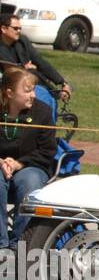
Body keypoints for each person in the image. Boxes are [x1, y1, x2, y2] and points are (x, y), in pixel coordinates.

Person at [0, 67, 57, 249]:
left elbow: (47, 150)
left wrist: (18, 163)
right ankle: (1, 244)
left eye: (33, 89)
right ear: (9, 93)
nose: (33, 95)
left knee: (29, 182)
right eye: (27, 91)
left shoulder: (43, 112)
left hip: (30, 165)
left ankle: (21, 245)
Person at [0, 12, 71, 101]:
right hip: (8, 85)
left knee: (32, 73)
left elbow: (39, 61)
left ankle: (54, 94)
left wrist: (62, 82)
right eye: (15, 28)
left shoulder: (22, 41)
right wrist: (24, 68)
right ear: (3, 29)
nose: (18, 31)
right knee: (31, 72)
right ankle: (55, 94)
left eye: (20, 28)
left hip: (28, 80)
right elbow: (10, 69)